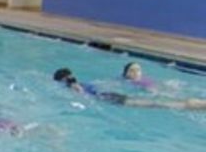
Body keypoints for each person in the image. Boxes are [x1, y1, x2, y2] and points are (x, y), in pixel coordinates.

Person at [53, 68, 206, 110]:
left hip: (108, 98)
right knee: (155, 103)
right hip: (108, 95)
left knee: (155, 104)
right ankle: (193, 104)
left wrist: (76, 90)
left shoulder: (71, 87)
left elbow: (85, 98)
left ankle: (192, 104)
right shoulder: (83, 83)